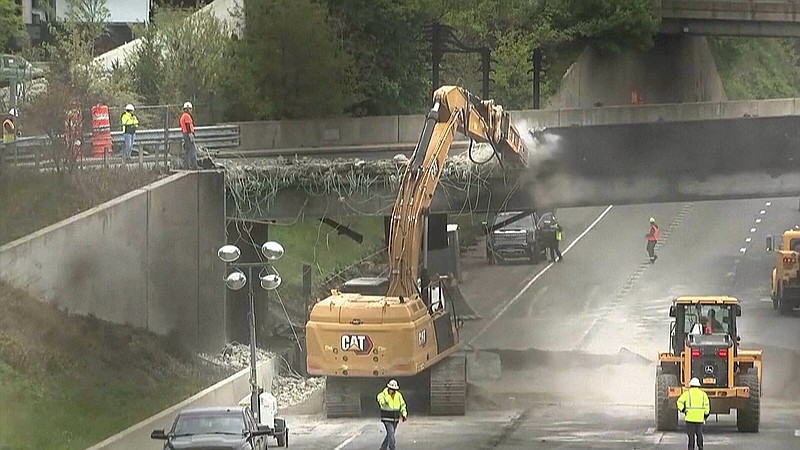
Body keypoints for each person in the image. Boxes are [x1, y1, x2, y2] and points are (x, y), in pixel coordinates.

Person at [676, 377, 710, 450]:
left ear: (690, 385)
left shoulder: (687, 394)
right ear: (698, 385)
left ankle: (691, 448)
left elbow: (679, 402)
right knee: (699, 434)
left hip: (689, 418)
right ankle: (700, 447)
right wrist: (705, 415)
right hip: (699, 419)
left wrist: (683, 409)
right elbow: (707, 406)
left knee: (691, 436)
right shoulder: (703, 394)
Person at [377, 379, 407, 450]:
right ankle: (392, 447)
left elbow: (402, 405)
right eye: (392, 389)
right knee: (391, 433)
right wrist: (388, 396)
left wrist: (404, 414)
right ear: (388, 388)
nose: (393, 391)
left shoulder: (398, 395)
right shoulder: (381, 395)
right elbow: (382, 403)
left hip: (395, 418)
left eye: (394, 390)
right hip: (386, 418)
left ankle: (383, 447)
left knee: (390, 434)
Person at [179, 101, 199, 170]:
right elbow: (188, 125)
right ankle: (194, 165)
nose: (191, 110)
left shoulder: (183, 116)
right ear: (187, 109)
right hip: (188, 134)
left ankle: (186, 165)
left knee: (187, 150)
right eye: (190, 109)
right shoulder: (187, 116)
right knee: (192, 150)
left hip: (185, 134)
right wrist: (191, 134)